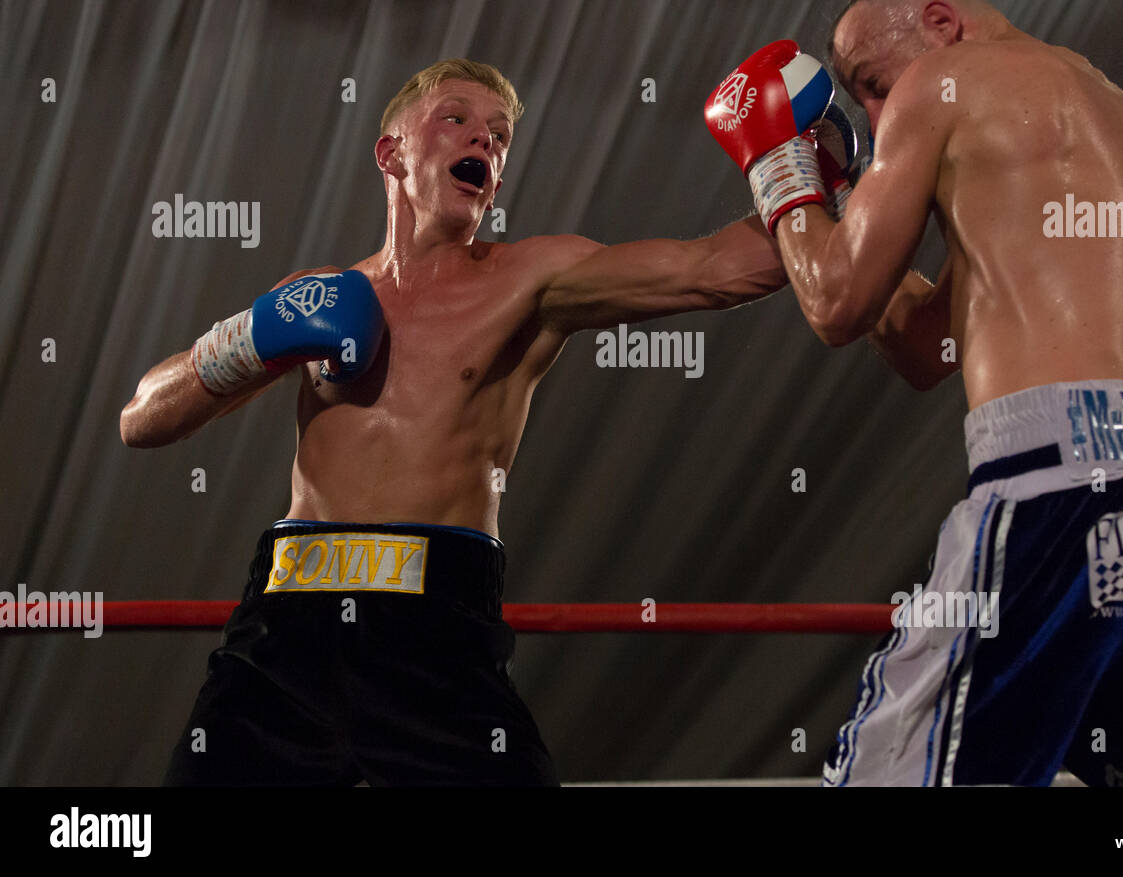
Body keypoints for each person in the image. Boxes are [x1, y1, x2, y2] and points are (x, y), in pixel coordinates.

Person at [122, 58, 786, 786]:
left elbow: (715, 270)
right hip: (286, 632)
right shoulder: (310, 296)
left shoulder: (532, 277)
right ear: (391, 153)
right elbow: (142, 418)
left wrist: (798, 165)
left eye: (499, 137)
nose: (486, 141)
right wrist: (249, 339)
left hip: (437, 634)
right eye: (456, 119)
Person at [705, 0, 1123, 786]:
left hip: (1060, 492)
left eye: (871, 81)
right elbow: (920, 347)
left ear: (940, 24)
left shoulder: (943, 83)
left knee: (888, 775)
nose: (875, 115)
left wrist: (780, 170)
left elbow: (835, 301)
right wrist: (836, 216)